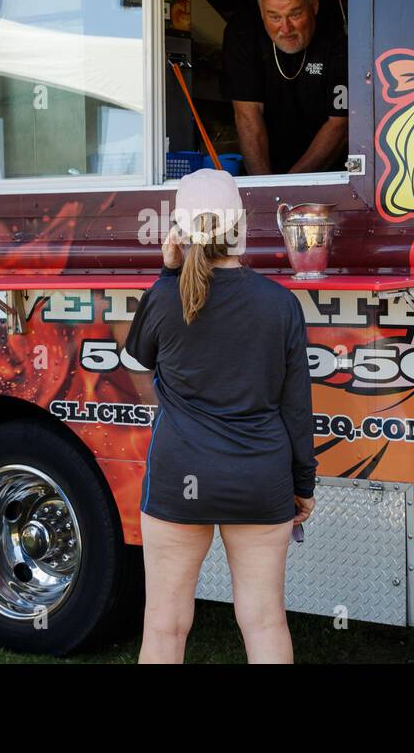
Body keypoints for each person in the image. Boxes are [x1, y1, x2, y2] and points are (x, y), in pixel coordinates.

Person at [124, 168, 317, 663]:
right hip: (260, 477)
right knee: (265, 621)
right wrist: (303, 485)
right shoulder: (280, 303)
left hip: (180, 475)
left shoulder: (165, 296)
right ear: (242, 226)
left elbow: (134, 364)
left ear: (180, 232)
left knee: (164, 627)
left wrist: (168, 273)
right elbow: (297, 408)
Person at [220, 0, 348, 175]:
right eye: (275, 17)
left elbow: (340, 124)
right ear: (261, 12)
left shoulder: (340, 33)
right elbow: (247, 115)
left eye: (295, 14)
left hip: (333, 172)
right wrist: (266, 189)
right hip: (267, 163)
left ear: (314, 4)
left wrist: (289, 188)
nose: (286, 28)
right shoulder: (242, 32)